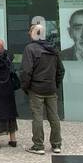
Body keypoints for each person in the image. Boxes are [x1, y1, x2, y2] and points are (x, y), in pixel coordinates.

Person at [20, 20, 64, 155]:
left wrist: (26, 87)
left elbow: (26, 71)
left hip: (36, 88)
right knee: (54, 117)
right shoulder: (53, 49)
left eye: (30, 32)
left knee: (37, 117)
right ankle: (56, 145)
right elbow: (61, 70)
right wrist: (55, 84)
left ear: (34, 34)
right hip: (50, 88)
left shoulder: (30, 49)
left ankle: (38, 145)